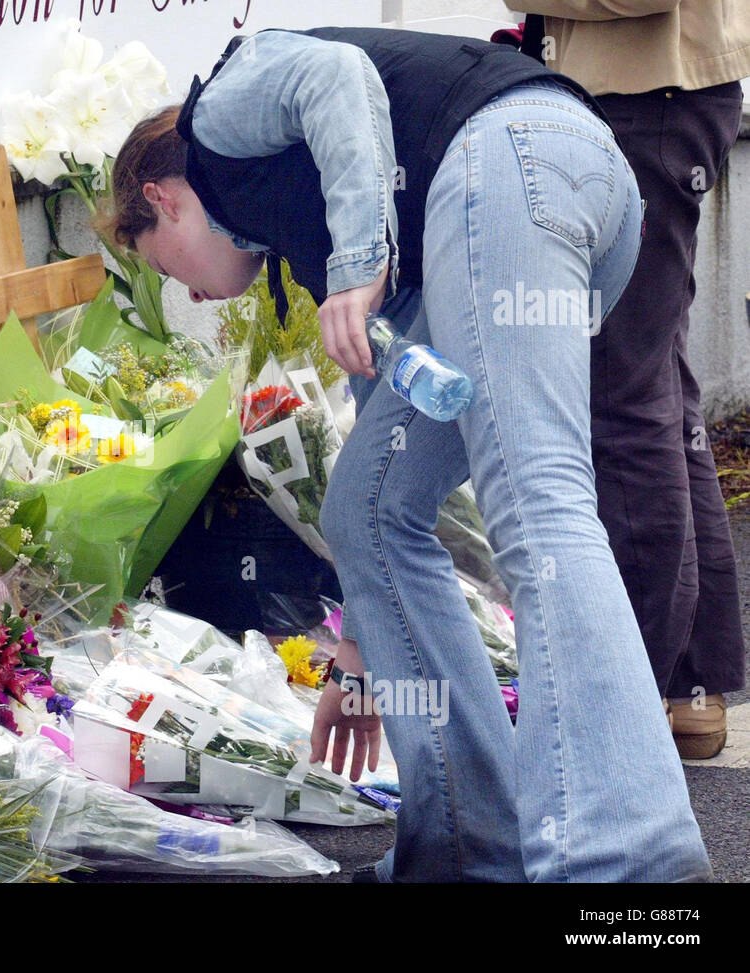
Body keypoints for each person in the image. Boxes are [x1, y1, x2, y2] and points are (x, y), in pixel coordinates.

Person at [93, 25, 713, 881]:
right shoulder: (297, 206)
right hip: (564, 187)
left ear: (161, 198)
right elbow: (385, 398)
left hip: (514, 168)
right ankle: (471, 846)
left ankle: (631, 862)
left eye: (162, 268)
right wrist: (359, 658)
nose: (189, 292)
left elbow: (339, 74)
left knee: (539, 505)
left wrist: (356, 266)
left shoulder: (223, 113)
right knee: (370, 508)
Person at [500, 3, 748, 760]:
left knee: (624, 403)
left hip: (647, 107)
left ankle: (618, 705)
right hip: (653, 101)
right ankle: (689, 689)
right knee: (659, 397)